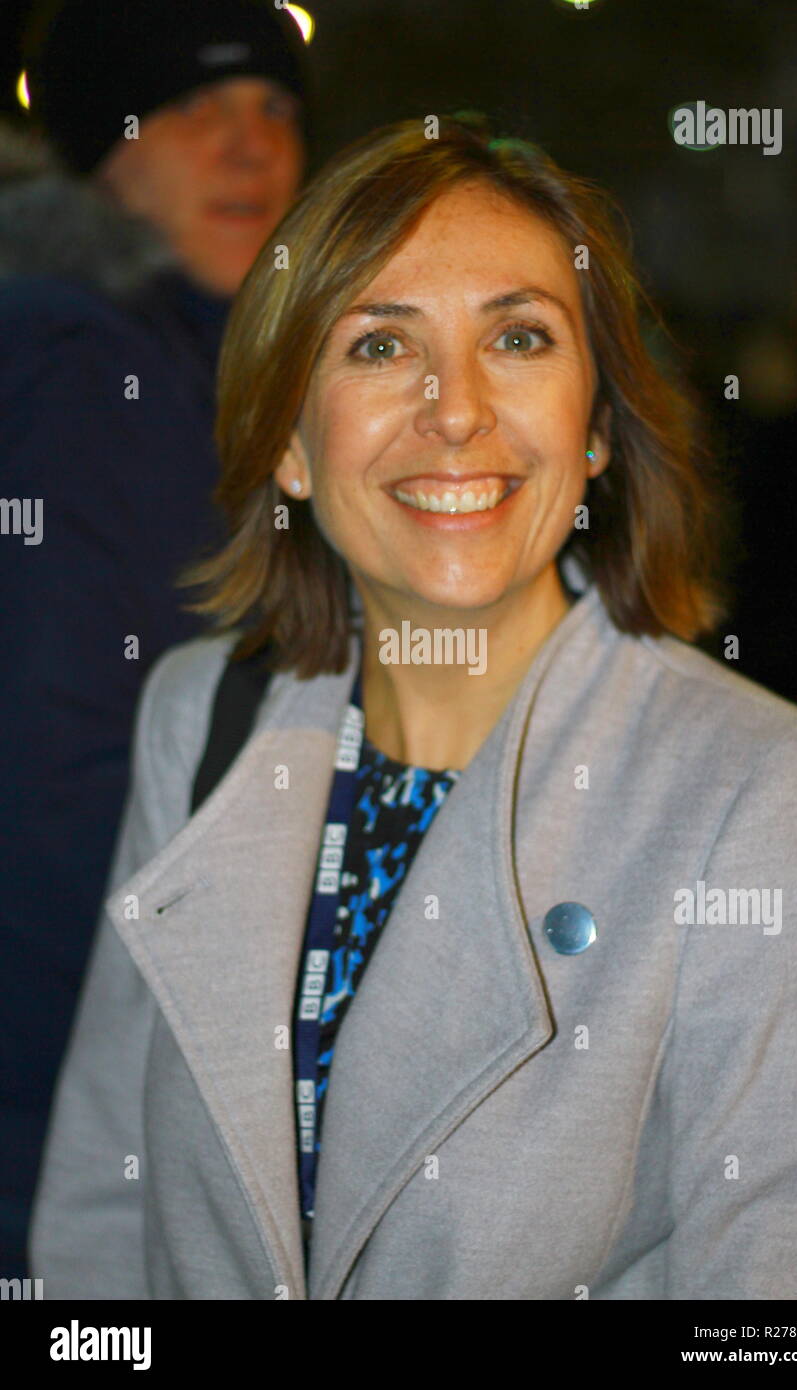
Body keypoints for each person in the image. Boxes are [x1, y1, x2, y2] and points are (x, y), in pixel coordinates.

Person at [29, 115, 797, 1301]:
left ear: (591, 431)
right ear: (289, 442)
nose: (455, 409)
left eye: (517, 337)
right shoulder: (203, 717)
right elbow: (103, 1221)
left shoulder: (760, 789)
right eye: (378, 347)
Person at [0, 0, 307, 1278]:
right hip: (71, 1078)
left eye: (274, 114)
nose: (248, 149)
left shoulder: (194, 358)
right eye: (192, 113)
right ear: (100, 153)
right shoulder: (84, 363)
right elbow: (53, 773)